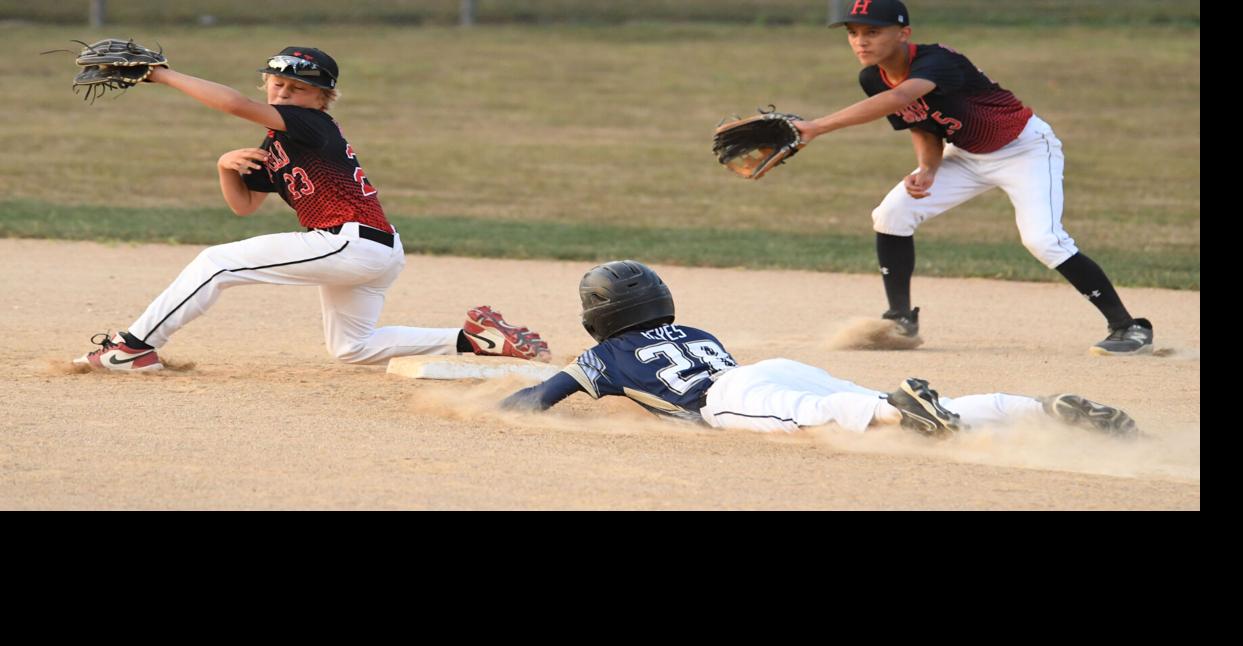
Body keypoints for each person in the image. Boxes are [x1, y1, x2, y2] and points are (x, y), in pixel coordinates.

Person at [74, 46, 548, 373]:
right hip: (374, 250)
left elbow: (234, 104)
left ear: (322, 98)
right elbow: (245, 206)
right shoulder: (278, 141)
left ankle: (133, 348)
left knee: (216, 262)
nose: (283, 93)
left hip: (348, 241)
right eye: (277, 83)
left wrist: (160, 74)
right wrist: (224, 167)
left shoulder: (311, 123)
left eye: (297, 88)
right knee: (352, 348)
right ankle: (474, 339)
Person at [787, 0, 1154, 356]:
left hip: (1024, 150)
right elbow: (921, 124)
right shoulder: (872, 77)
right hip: (965, 154)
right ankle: (900, 320)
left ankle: (1129, 328)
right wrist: (928, 168)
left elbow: (901, 97)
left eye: (872, 32)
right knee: (892, 214)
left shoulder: (937, 60)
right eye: (853, 33)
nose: (860, 41)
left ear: (903, 33)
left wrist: (817, 126)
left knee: (1044, 240)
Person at [499, 261, 1138, 439]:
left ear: (598, 316)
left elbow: (537, 399)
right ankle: (1036, 408)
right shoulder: (698, 334)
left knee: (820, 416)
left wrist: (488, 408)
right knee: (879, 402)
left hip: (729, 399)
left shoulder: (599, 359)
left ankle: (899, 410)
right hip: (771, 370)